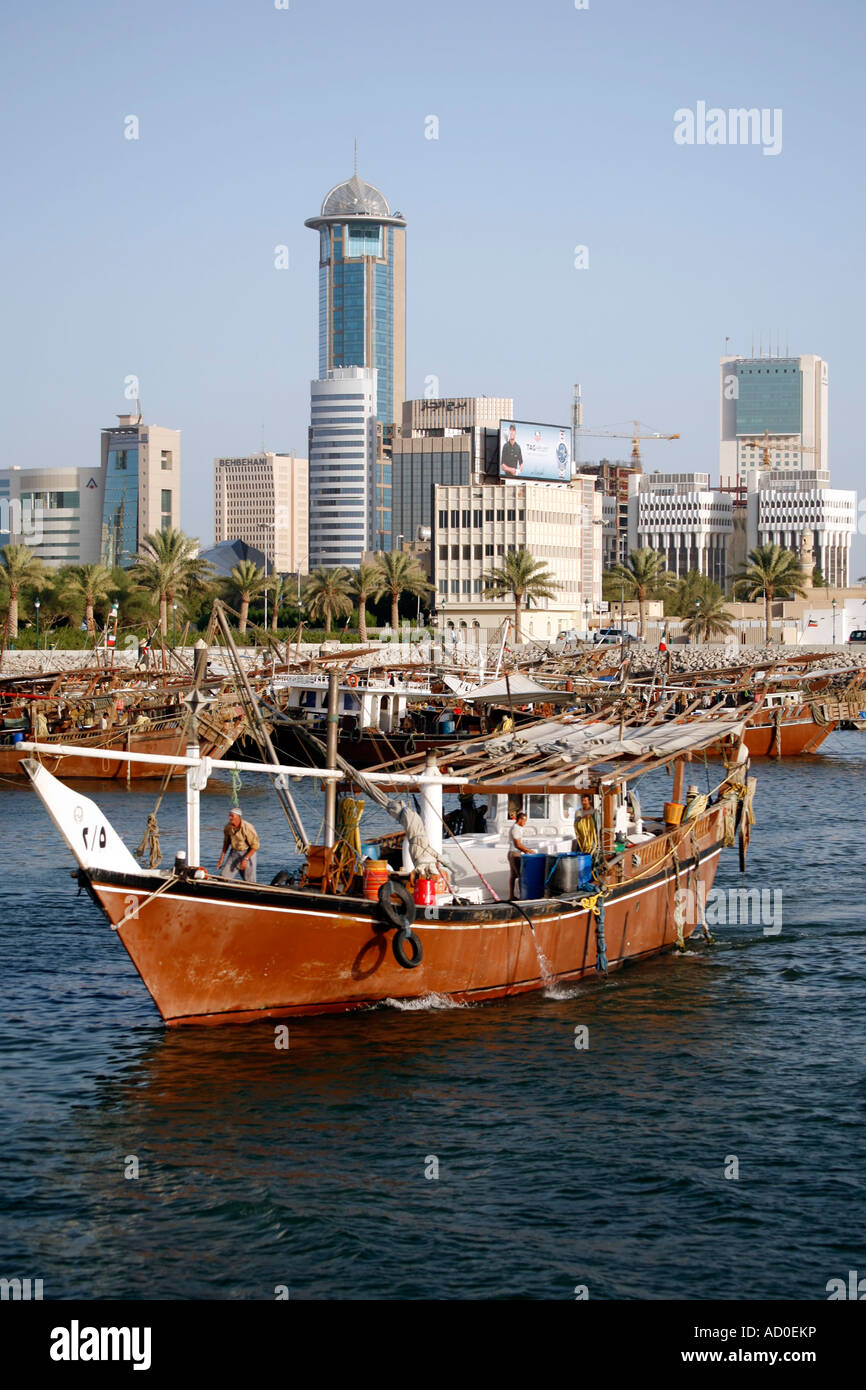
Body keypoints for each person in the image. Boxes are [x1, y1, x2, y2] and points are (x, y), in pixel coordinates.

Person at [218, 808, 260, 883]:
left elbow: (255, 846)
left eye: (232, 816)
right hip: (234, 853)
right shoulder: (228, 827)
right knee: (223, 878)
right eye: (229, 816)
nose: (230, 818)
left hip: (248, 853)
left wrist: (246, 859)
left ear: (238, 817)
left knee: (249, 882)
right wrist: (221, 859)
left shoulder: (247, 827)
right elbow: (226, 843)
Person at [507, 811, 531, 899]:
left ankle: (511, 896)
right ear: (520, 819)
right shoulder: (516, 829)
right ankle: (522, 896)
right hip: (515, 854)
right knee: (521, 875)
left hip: (512, 853)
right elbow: (518, 845)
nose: (525, 823)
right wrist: (528, 851)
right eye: (524, 821)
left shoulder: (517, 828)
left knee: (513, 876)